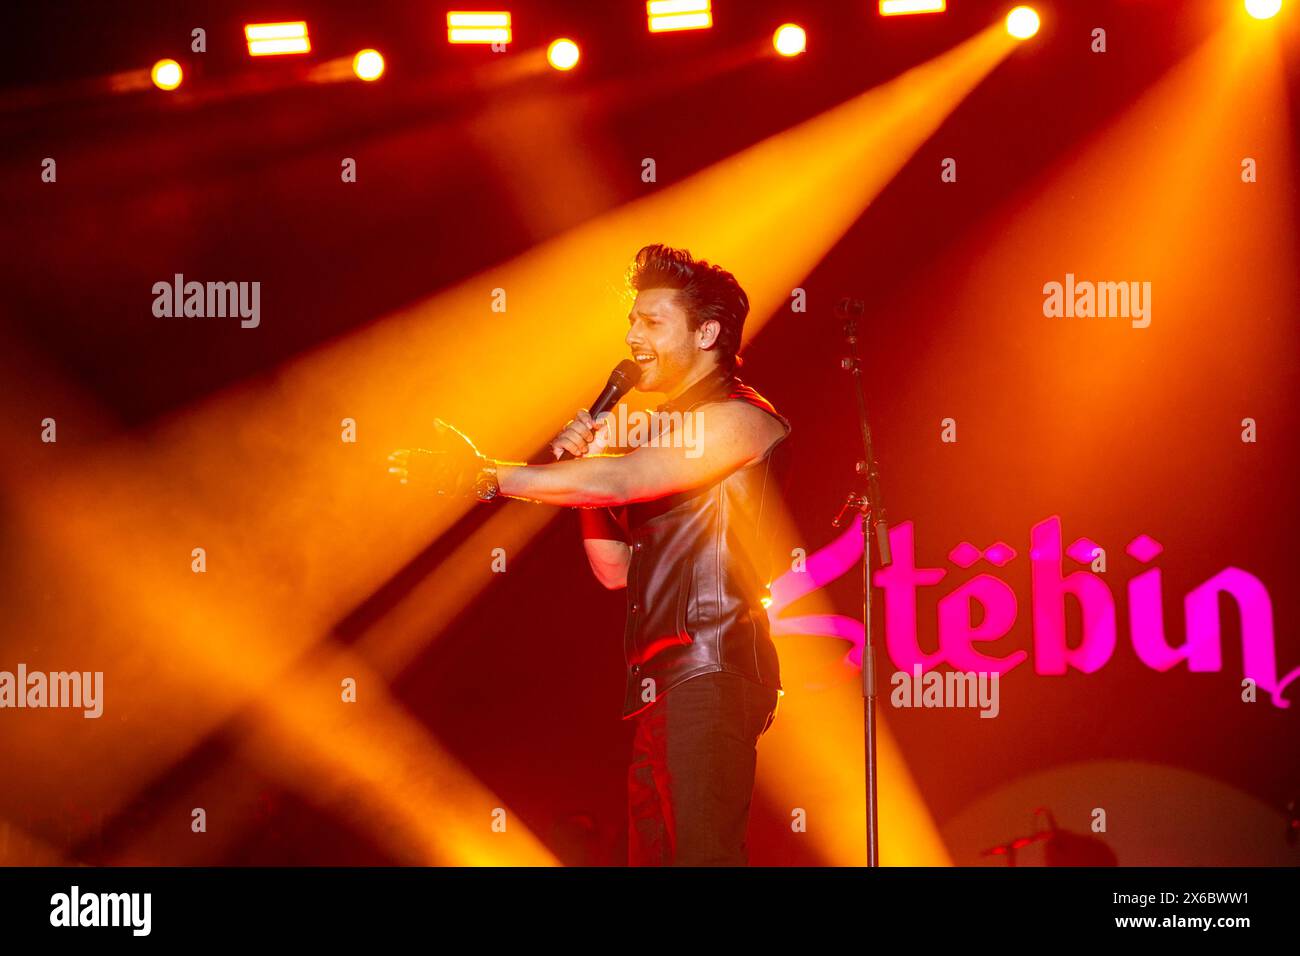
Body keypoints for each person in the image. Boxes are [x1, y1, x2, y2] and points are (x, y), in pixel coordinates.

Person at [389, 243, 791, 865]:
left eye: (652, 321)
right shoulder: (661, 436)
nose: (632, 335)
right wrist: (584, 480)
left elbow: (623, 480)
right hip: (660, 686)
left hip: (713, 669)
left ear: (707, 332)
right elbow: (615, 571)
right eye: (633, 320)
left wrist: (486, 476)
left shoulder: (741, 418)